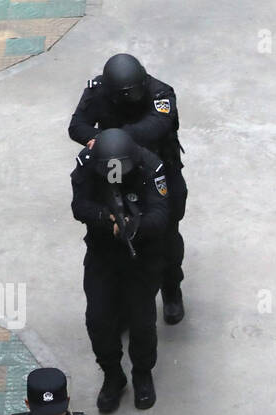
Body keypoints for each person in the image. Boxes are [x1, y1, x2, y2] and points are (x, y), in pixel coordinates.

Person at [70, 53, 188, 323]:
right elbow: (77, 126)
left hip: (160, 173)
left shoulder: (160, 94)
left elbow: (155, 126)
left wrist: (112, 141)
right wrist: (105, 145)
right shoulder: (99, 90)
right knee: (117, 240)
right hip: (113, 174)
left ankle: (172, 290)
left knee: (167, 237)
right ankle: (126, 303)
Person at [71, 128, 171, 412]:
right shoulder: (88, 162)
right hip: (103, 254)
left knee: (142, 322)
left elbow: (161, 214)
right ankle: (113, 375)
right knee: (98, 319)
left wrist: (134, 226)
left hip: (142, 256)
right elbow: (79, 206)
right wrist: (109, 219)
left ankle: (142, 373)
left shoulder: (151, 166)